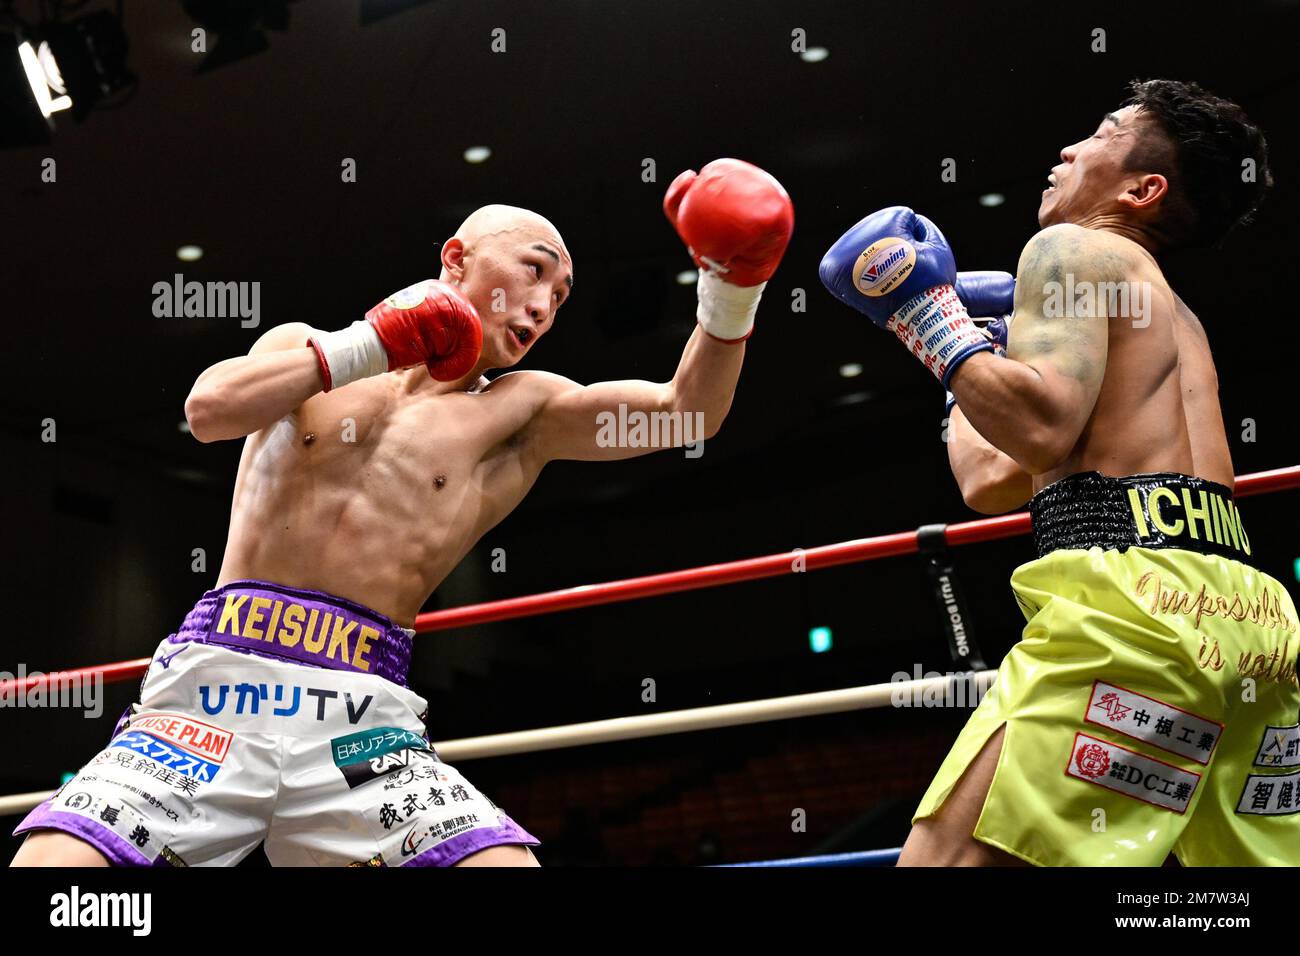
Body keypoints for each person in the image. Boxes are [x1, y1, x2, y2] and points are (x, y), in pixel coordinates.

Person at [11, 158, 793, 867]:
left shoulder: (523, 412)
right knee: (57, 875)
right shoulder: (307, 346)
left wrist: (734, 288)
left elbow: (685, 414)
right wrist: (371, 346)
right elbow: (209, 409)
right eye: (533, 272)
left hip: (362, 721)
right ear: (457, 258)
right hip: (212, 695)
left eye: (559, 298)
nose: (544, 305)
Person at [821, 80, 1298, 865]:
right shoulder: (1178, 315)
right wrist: (964, 350)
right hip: (1250, 624)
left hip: (1135, 613)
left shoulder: (1069, 249)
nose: (1068, 149)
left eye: (1103, 133)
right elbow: (993, 481)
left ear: (1144, 190)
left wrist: (927, 315)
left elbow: (1040, 426)